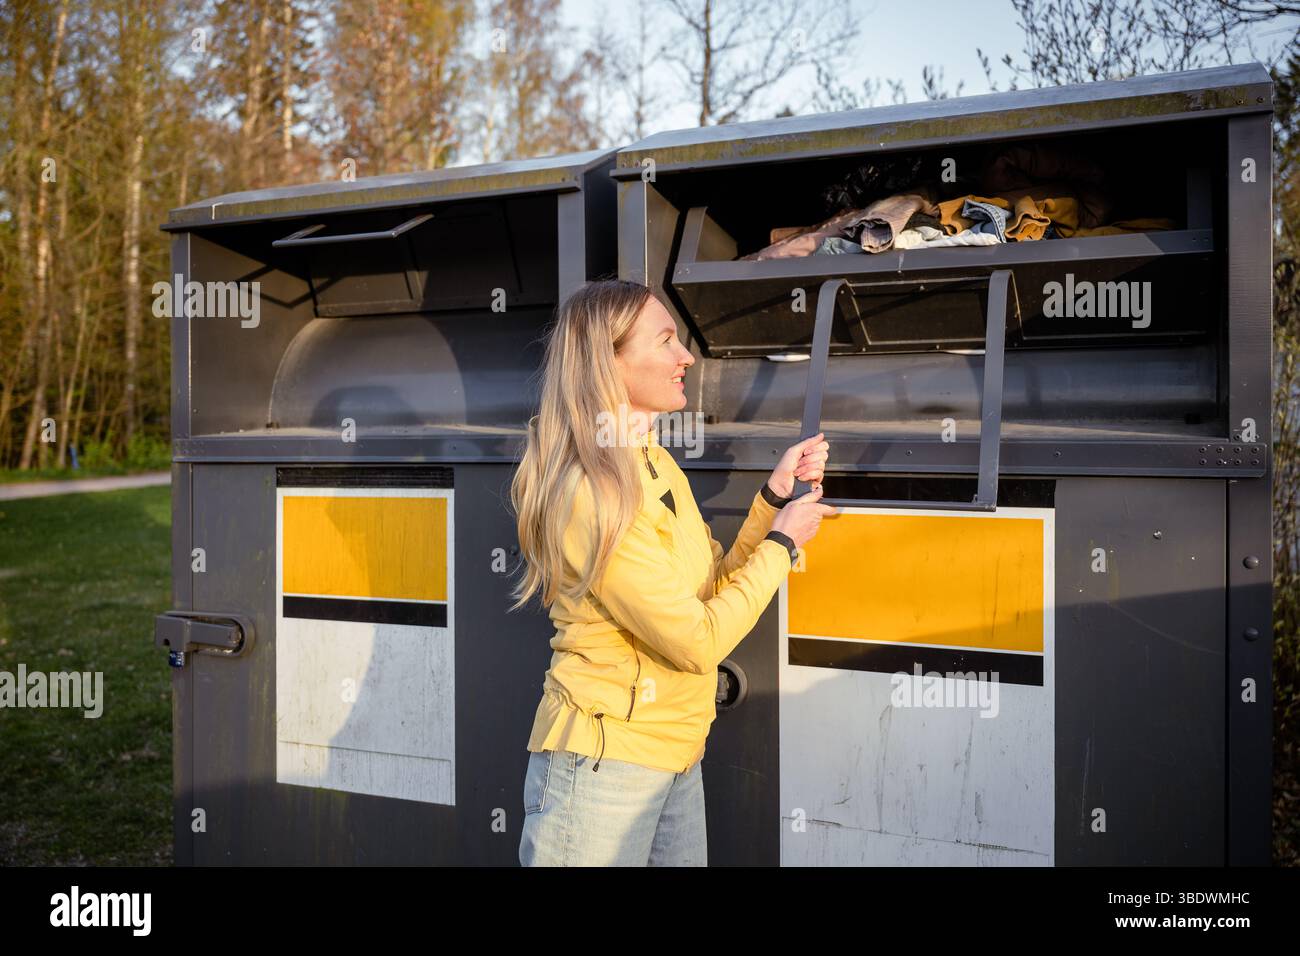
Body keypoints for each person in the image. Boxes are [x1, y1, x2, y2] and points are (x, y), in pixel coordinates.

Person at [508, 279, 836, 866]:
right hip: (605, 766)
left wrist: (771, 500)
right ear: (606, 363)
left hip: (677, 757)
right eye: (664, 341)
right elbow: (696, 640)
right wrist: (785, 542)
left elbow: (711, 589)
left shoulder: (655, 463)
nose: (686, 356)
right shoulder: (590, 491)